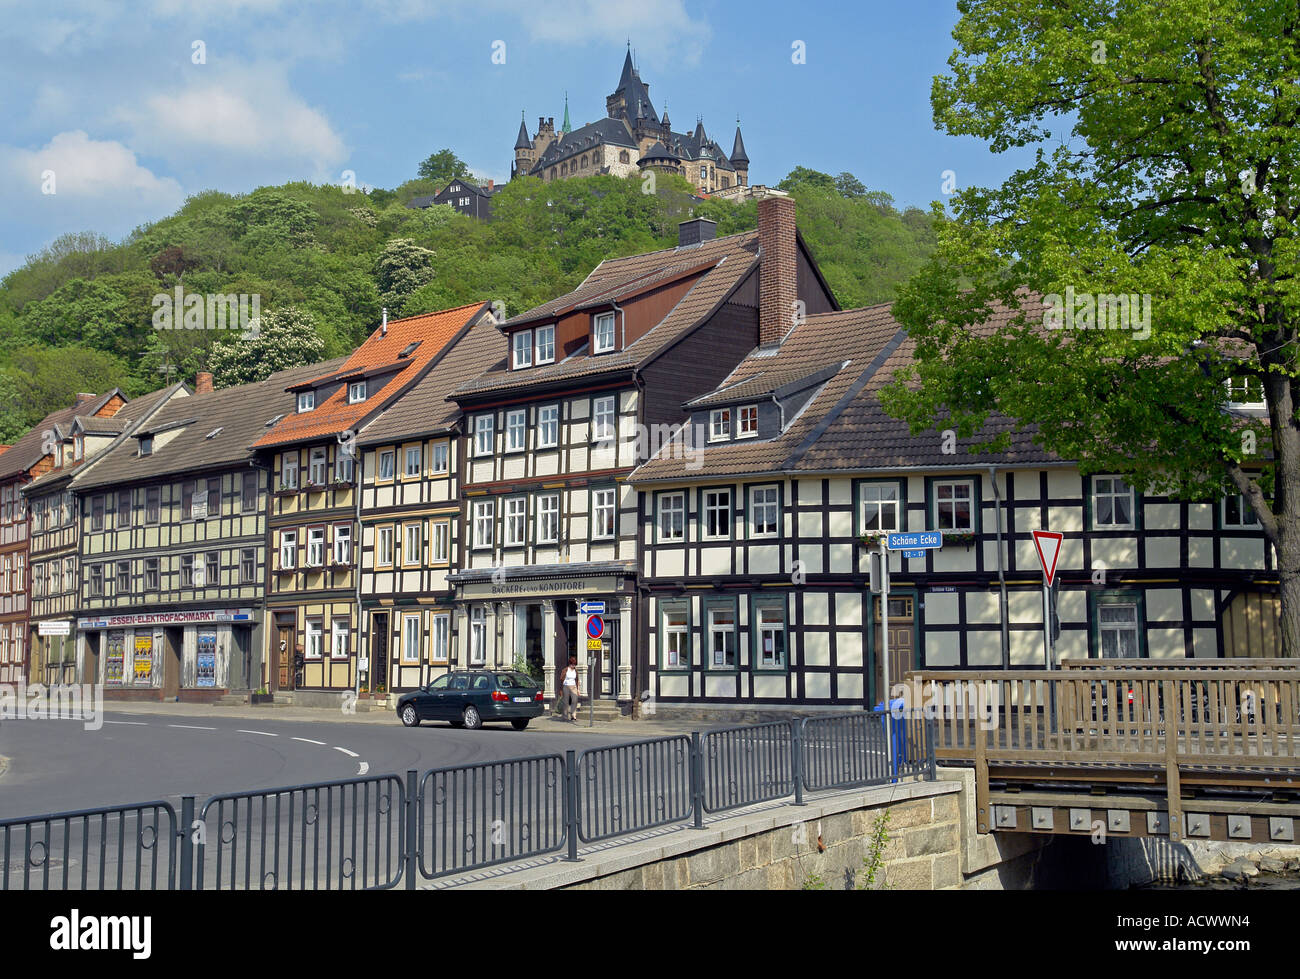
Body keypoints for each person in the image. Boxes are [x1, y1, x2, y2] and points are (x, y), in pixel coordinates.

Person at [561, 654, 581, 722]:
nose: (573, 666)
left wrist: (578, 689)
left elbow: (577, 680)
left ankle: (573, 715)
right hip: (566, 686)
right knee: (566, 702)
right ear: (570, 664)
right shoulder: (566, 670)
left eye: (574, 664)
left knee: (574, 700)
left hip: (573, 686)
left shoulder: (576, 671)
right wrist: (561, 688)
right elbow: (561, 679)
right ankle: (565, 716)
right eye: (572, 664)